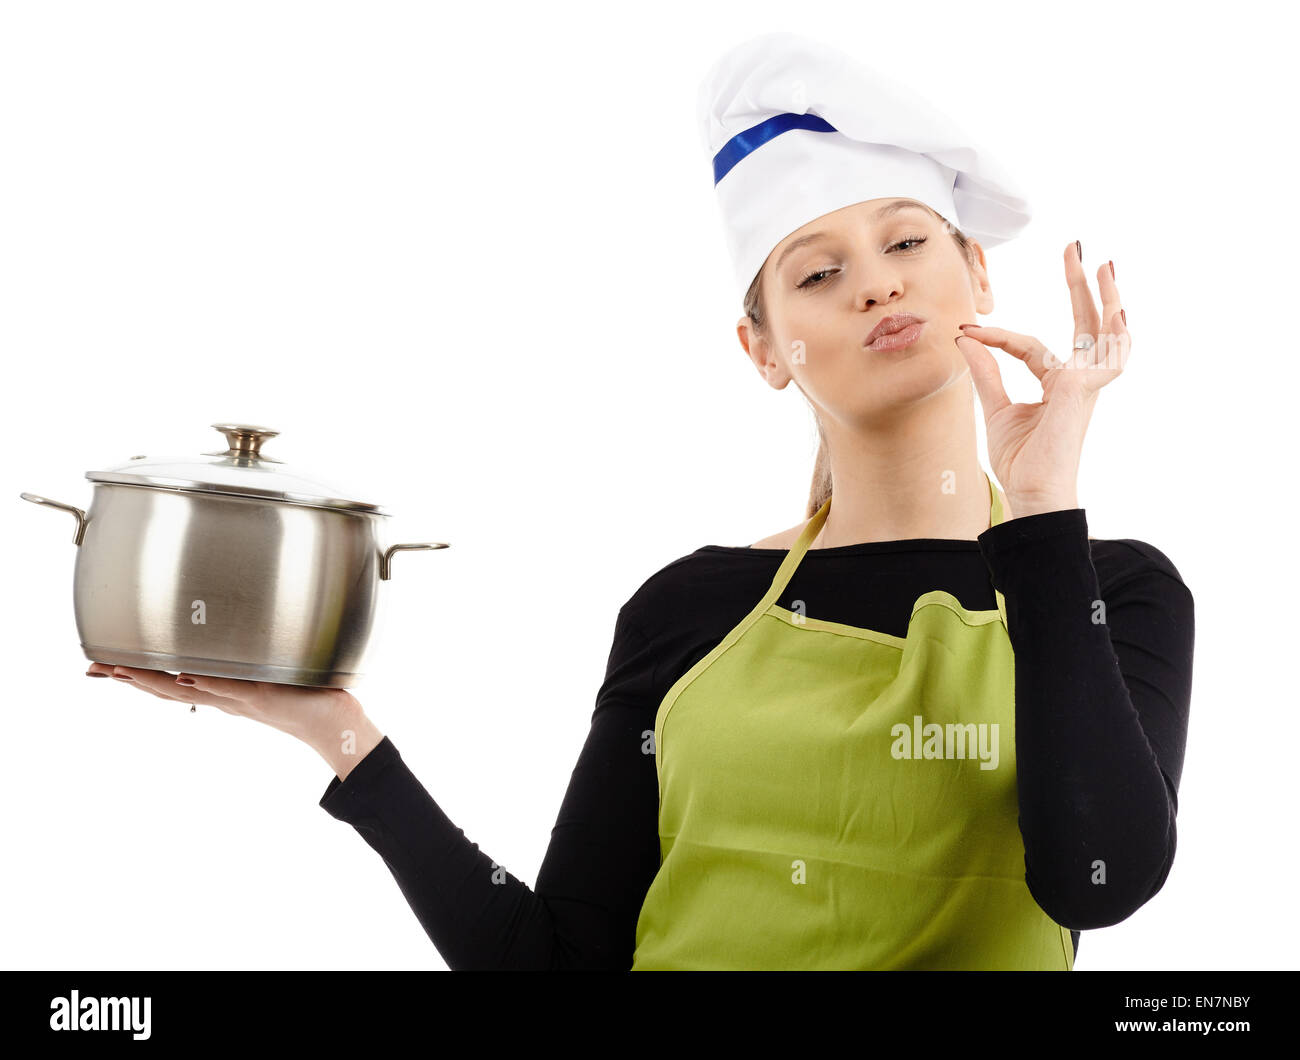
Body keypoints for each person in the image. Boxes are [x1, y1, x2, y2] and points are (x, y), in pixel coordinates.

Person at [88, 32, 1194, 970]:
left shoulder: (1107, 589)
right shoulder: (689, 607)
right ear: (763, 349)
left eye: (906, 242)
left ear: (978, 277)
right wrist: (341, 738)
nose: (876, 282)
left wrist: (1044, 515)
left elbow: (1095, 880)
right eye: (815, 272)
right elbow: (562, 962)